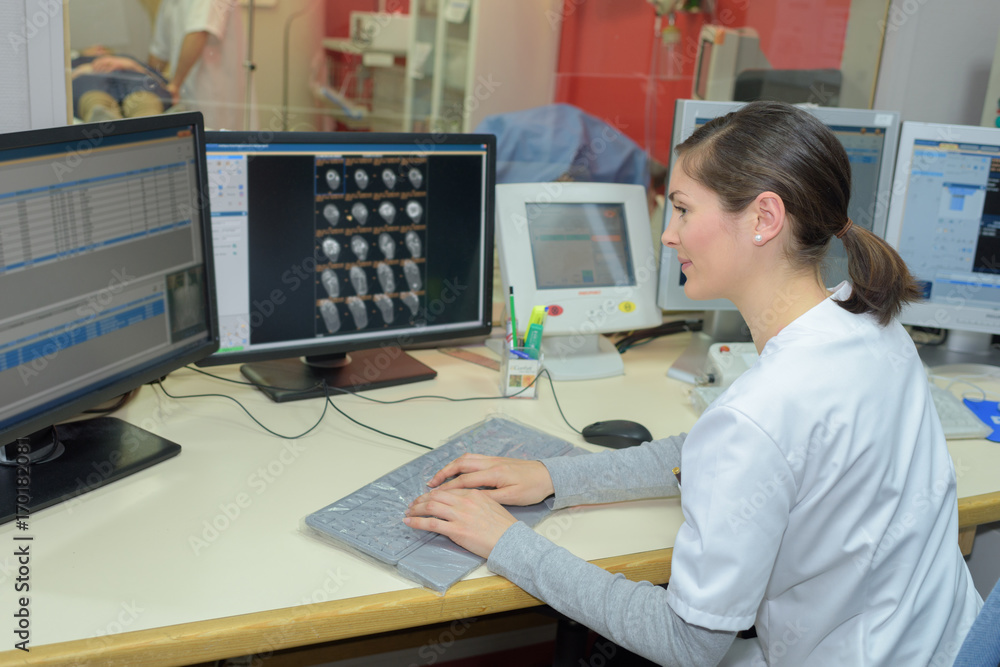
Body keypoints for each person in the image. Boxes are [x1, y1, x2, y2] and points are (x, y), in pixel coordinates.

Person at [404, 101, 984, 666]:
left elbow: (685, 645)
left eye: (682, 210)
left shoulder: (766, 410)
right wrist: (557, 477)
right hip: (937, 641)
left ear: (764, 218)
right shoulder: (869, 322)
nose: (667, 235)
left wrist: (508, 543)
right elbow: (718, 452)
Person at [148, 0, 246, 130]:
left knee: (215, 142)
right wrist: (145, 84)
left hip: (212, 98)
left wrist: (174, 85)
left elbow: (199, 33)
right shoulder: (169, 3)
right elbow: (159, 53)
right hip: (186, 99)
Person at [71, 51, 172, 122]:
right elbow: (59, 91)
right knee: (94, 98)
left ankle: (147, 116)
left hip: (133, 81)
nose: (100, 46)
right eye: (93, 47)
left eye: (105, 48)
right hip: (91, 84)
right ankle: (99, 113)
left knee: (144, 100)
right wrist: (82, 70)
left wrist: (134, 66)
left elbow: (165, 85)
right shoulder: (76, 62)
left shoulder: (130, 60)